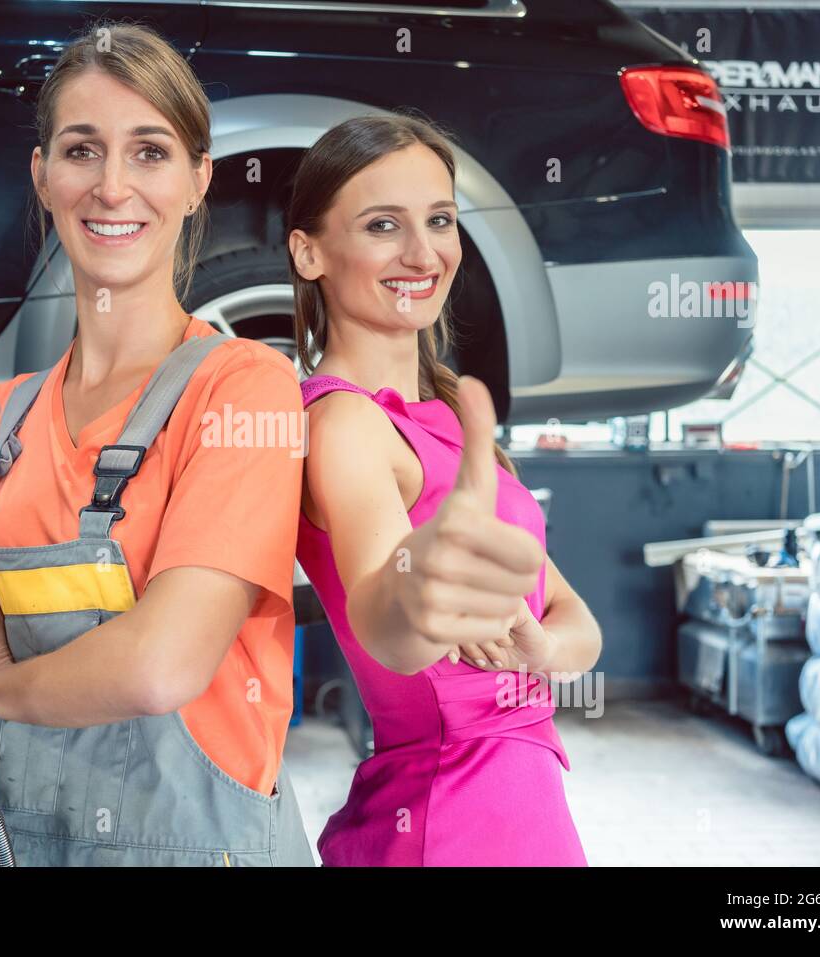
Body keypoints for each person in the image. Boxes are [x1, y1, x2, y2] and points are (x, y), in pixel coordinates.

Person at [0, 21, 314, 867]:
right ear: (43, 177)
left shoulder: (243, 390)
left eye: (150, 152)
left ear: (198, 182)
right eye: (82, 151)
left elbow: (162, 664)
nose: (113, 187)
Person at [287, 113, 602, 866]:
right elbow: (390, 629)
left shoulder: (453, 411)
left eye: (440, 220)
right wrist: (424, 581)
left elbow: (576, 621)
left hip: (524, 790)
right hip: (454, 806)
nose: (422, 252)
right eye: (383, 225)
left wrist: (539, 644)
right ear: (309, 252)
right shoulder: (344, 425)